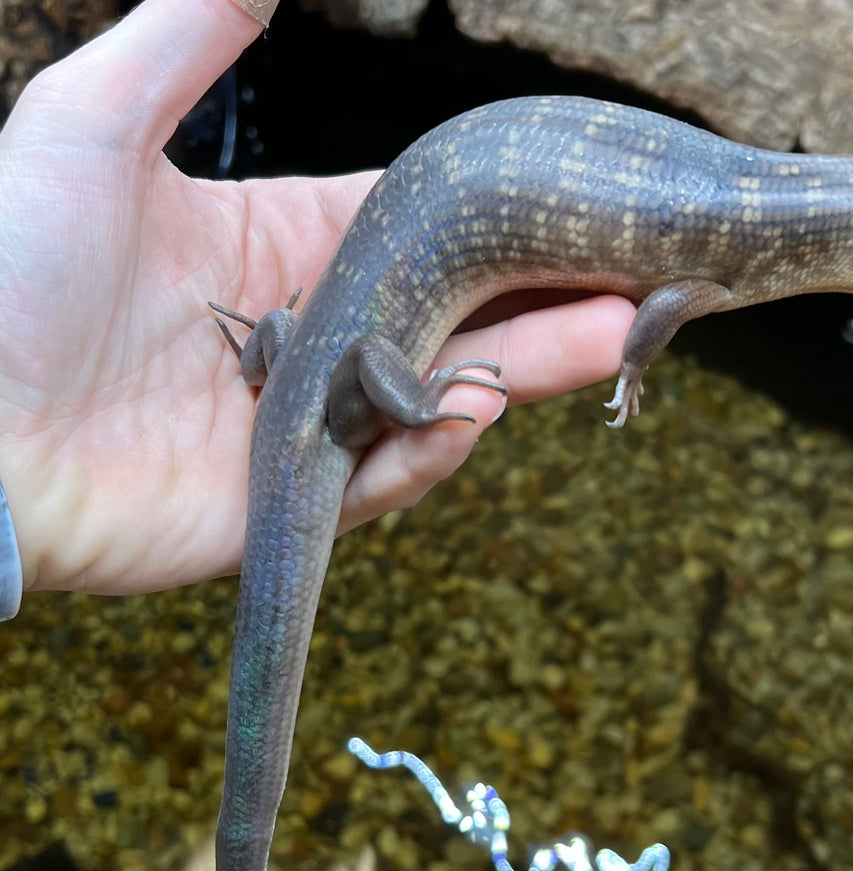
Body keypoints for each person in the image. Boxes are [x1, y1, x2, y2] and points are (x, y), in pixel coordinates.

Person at [0, 0, 635, 609]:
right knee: (342, 347)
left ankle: (400, 400)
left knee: (299, 331)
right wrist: (415, 403)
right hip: (329, 408)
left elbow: (283, 347)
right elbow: (349, 357)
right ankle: (414, 407)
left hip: (297, 390)